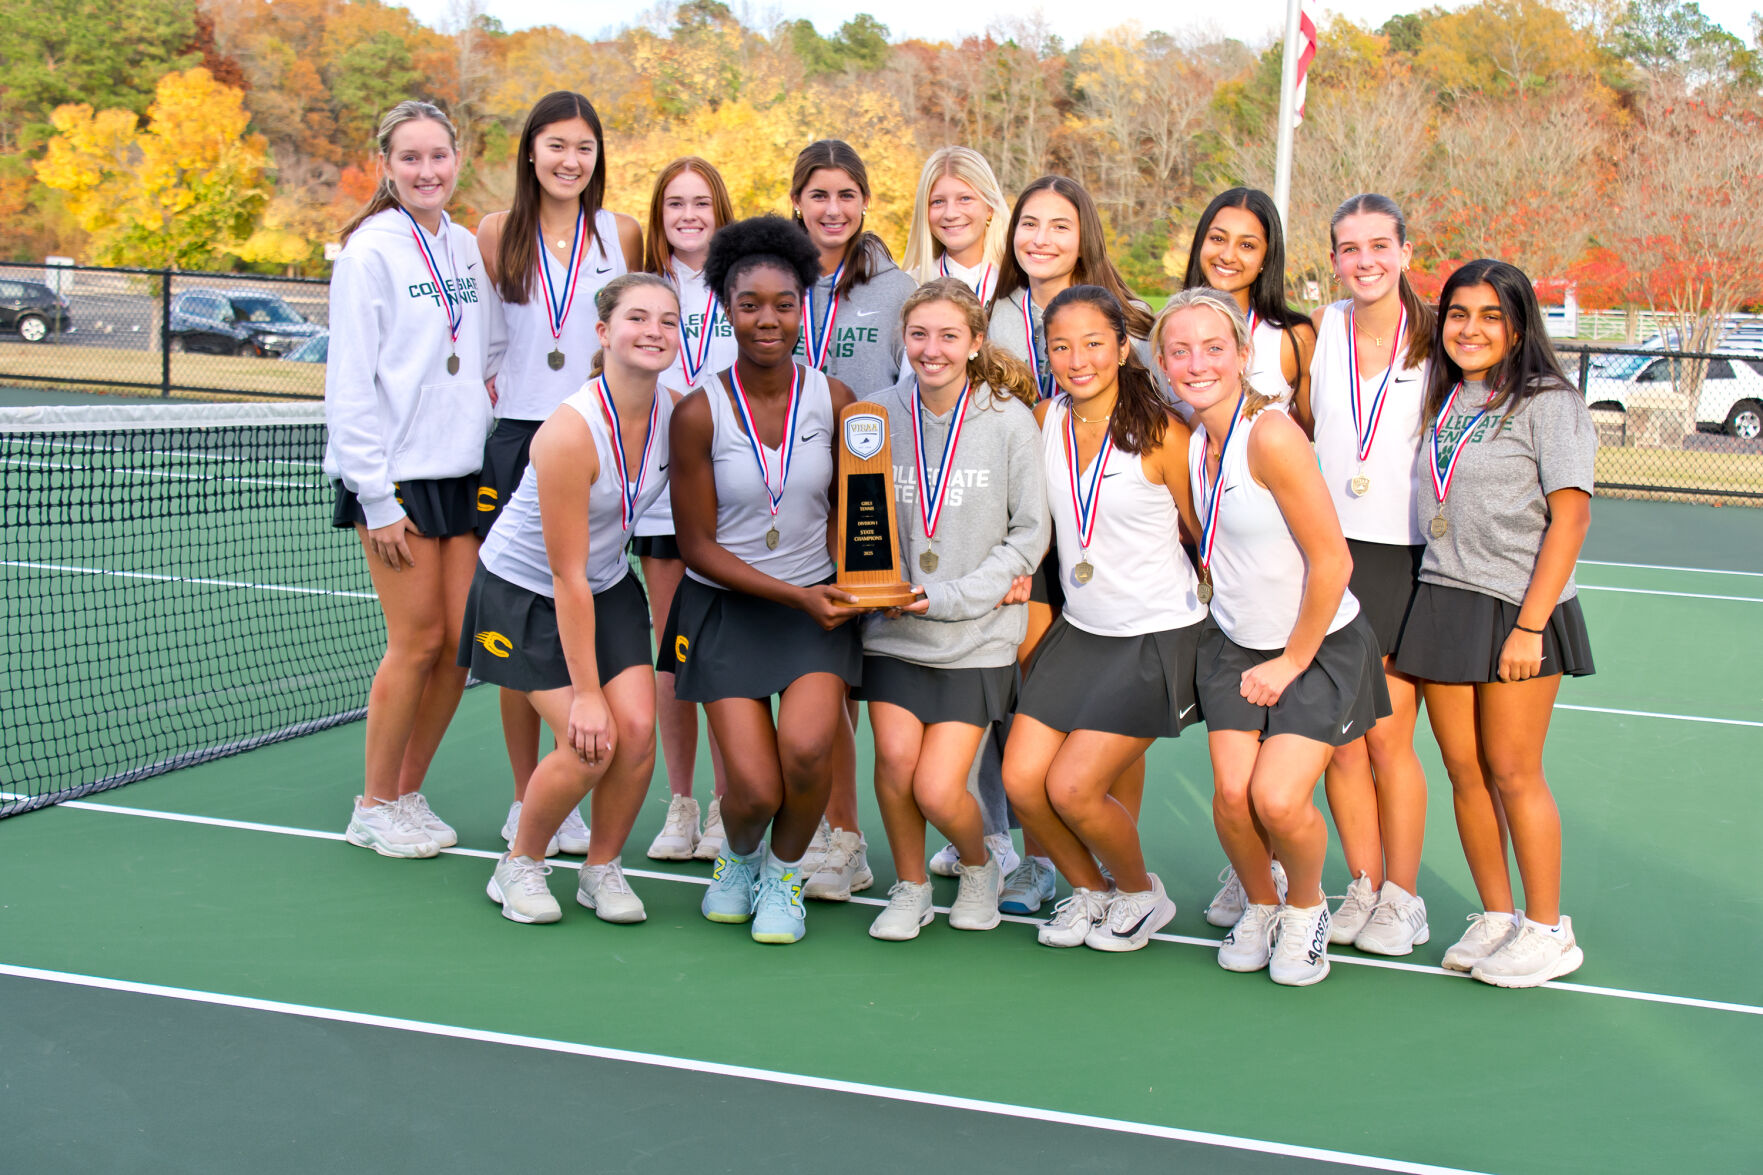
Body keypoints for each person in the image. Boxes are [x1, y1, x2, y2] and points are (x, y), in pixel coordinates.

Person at [1157, 286, 1390, 987]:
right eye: (1178, 350)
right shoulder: (1196, 437)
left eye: (1211, 347)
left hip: (1313, 643)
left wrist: (1291, 661)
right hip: (1233, 642)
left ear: (1241, 353)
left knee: (1278, 799)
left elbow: (1333, 562)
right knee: (1231, 796)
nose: (1195, 362)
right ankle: (1260, 903)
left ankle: (1306, 908)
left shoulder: (1271, 434)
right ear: (1164, 362)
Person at [1394, 258, 1595, 988]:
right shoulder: (1447, 397)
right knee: (1464, 770)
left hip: (1517, 605)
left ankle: (1546, 929)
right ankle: (1496, 914)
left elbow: (1570, 516)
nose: (1469, 329)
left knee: (1513, 770)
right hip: (1444, 596)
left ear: (1517, 325)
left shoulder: (1548, 401)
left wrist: (1529, 625)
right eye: (1456, 314)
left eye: (1488, 315)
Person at [667, 215, 864, 945]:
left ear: (803, 305)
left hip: (814, 610)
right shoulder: (696, 412)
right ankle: (739, 856)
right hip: (729, 610)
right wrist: (794, 595)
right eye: (749, 303)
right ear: (725, 306)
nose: (767, 319)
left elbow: (856, 513)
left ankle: (784, 874)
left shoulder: (837, 399)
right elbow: (695, 546)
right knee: (749, 788)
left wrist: (855, 583)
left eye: (783, 303)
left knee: (808, 750)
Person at [468, 274, 679, 923]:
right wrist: (587, 692)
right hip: (524, 590)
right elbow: (564, 575)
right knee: (594, 740)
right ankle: (520, 864)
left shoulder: (674, 411)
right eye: (637, 318)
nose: (653, 332)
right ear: (604, 332)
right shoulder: (567, 433)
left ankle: (600, 868)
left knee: (639, 731)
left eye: (667, 321)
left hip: (609, 582)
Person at [1000, 285, 1203, 953]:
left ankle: (1140, 894)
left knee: (1074, 787)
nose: (1077, 358)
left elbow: (1210, 536)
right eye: (1061, 345)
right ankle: (1090, 891)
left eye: (1093, 342)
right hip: (1079, 630)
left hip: (1153, 635)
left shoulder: (1166, 433)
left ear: (1122, 347)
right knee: (1021, 781)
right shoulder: (1040, 420)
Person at [326, 100, 504, 859]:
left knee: (460, 646)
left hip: (461, 474)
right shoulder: (371, 250)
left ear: (456, 159)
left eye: (438, 156)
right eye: (410, 158)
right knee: (417, 639)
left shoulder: (463, 245)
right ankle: (372, 802)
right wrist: (376, 495)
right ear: (386, 166)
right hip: (393, 481)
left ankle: (404, 791)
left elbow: (486, 346)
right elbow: (350, 384)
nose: (426, 171)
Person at [475, 91, 643, 858]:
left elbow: (634, 328)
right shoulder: (493, 232)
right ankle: (526, 797)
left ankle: (562, 788)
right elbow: (483, 340)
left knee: (580, 586)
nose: (570, 160)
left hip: (589, 428)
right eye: (555, 145)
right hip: (517, 436)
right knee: (525, 627)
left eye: (584, 146)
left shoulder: (622, 231)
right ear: (530, 152)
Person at [987, 175, 1157, 916]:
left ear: (1083, 234)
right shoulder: (991, 315)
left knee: (1112, 720)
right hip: (1033, 530)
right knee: (1033, 696)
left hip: (1106, 538)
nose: (1042, 239)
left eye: (1059, 225)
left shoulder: (1130, 321)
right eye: (1029, 224)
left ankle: (1122, 860)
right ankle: (1040, 860)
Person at [859, 278, 1048, 940]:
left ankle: (976, 866)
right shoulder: (873, 416)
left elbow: (1028, 534)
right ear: (901, 339)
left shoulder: (1008, 419)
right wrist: (869, 586)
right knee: (893, 768)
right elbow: (855, 525)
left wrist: (951, 595)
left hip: (974, 634)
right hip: (892, 629)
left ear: (974, 343)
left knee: (940, 789)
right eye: (918, 334)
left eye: (947, 335)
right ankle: (909, 886)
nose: (931, 349)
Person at [1277, 192, 1438, 954]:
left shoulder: (1440, 336)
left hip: (1399, 554)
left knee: (1384, 741)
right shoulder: (1320, 331)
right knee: (1338, 740)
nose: (1365, 260)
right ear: (1333, 258)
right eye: (1349, 248)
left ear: (1406, 252)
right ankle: (1363, 883)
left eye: (1380, 245)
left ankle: (1403, 897)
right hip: (1325, 553)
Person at [786, 140, 918, 900]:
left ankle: (929, 842)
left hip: (870, 509)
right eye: (817, 195)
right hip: (791, 503)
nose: (831, 209)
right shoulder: (773, 277)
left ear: (865, 202)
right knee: (821, 681)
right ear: (796, 200)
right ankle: (842, 834)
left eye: (845, 194)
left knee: (879, 683)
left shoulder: (897, 288)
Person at [637, 156, 738, 862]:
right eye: (675, 203)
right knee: (672, 655)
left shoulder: (744, 286)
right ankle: (681, 802)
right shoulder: (643, 287)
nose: (689, 215)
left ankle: (729, 808)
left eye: (701, 202)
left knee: (726, 656)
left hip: (733, 494)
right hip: (657, 497)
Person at [1181, 187, 1315, 406]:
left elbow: (1309, 430)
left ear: (1266, 257)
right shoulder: (1163, 329)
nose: (1227, 256)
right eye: (1217, 238)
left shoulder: (1292, 339)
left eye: (1246, 245)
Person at [900, 147, 1012, 303]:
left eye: (965, 198)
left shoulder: (1017, 281)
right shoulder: (911, 285)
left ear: (990, 207)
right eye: (937, 202)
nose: (950, 214)